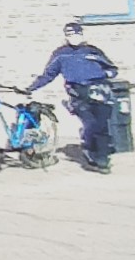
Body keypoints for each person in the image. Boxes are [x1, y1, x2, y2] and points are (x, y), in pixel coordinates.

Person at [25, 20, 121, 173]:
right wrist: (30, 88)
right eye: (70, 34)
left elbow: (112, 68)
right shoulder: (61, 54)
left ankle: (102, 159)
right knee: (91, 123)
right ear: (65, 37)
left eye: (76, 33)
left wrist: (105, 74)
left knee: (102, 125)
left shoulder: (93, 51)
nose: (74, 37)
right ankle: (91, 151)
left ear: (82, 34)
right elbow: (48, 75)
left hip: (100, 90)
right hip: (78, 93)